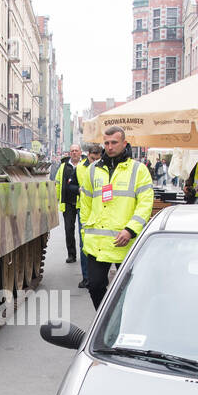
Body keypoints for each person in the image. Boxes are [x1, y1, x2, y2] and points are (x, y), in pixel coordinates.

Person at [80, 126, 154, 308]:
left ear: (124, 143)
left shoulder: (138, 170)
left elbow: (145, 204)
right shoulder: (93, 170)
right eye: (106, 143)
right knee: (95, 286)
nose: (110, 147)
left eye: (114, 142)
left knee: (128, 290)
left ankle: (122, 321)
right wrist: (85, 229)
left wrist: (130, 229)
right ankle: (106, 322)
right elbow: (86, 203)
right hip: (98, 243)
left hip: (126, 242)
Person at [75, 144, 102, 288]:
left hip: (100, 210)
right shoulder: (81, 167)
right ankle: (86, 277)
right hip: (84, 208)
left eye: (98, 159)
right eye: (93, 159)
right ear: (88, 155)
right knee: (84, 243)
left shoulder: (104, 169)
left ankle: (97, 275)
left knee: (100, 242)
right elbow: (76, 186)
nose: (95, 162)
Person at [54, 145, 82, 264]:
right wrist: (56, 199)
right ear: (69, 153)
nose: (74, 153)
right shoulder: (63, 166)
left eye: (76, 151)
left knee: (84, 231)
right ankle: (71, 254)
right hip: (68, 203)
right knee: (69, 230)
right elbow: (58, 184)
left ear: (80, 152)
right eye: (72, 151)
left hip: (83, 203)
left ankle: (86, 254)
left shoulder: (85, 165)